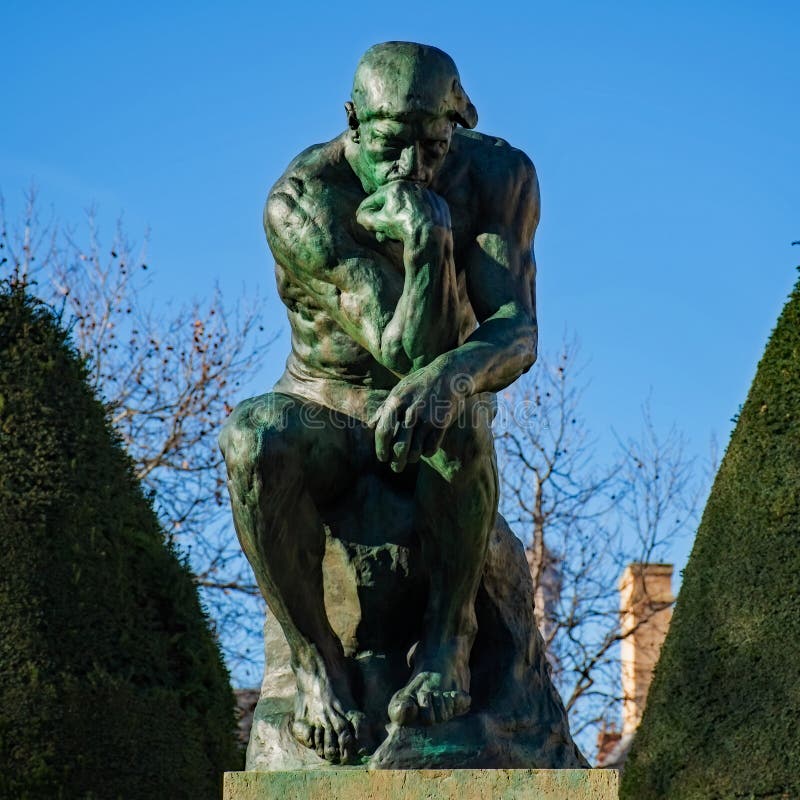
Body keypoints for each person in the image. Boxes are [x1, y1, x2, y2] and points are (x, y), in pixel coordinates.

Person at [220, 41, 539, 765]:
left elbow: (516, 329)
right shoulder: (303, 199)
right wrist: (427, 241)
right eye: (391, 145)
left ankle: (449, 637)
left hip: (431, 405)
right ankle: (315, 663)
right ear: (352, 120)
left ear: (460, 122)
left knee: (458, 409)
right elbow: (400, 352)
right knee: (251, 439)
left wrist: (454, 375)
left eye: (431, 146)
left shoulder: (499, 174)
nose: (411, 169)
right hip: (324, 409)